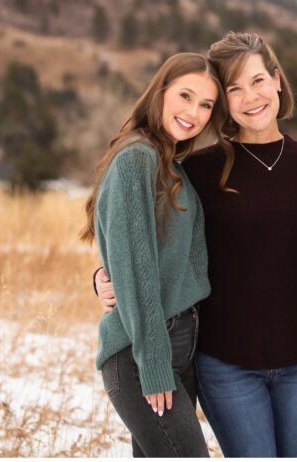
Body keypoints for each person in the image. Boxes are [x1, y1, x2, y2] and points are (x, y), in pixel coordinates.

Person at [97, 32, 297, 457]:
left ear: (277, 80)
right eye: (233, 89)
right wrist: (104, 275)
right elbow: (126, 236)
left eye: (258, 81)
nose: (250, 97)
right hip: (219, 360)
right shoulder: (194, 170)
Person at [80, 52, 226, 458]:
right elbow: (137, 268)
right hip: (142, 351)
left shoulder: (168, 162)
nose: (193, 112)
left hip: (175, 345)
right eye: (185, 95)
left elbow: (148, 252)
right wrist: (155, 363)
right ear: (160, 92)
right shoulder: (137, 159)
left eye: (206, 105)